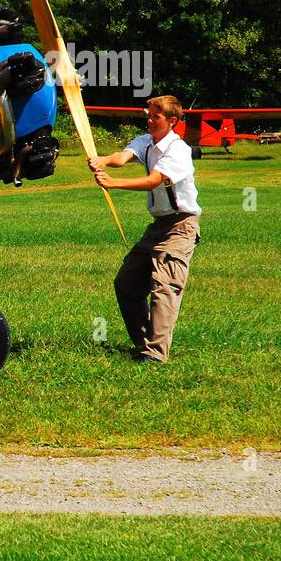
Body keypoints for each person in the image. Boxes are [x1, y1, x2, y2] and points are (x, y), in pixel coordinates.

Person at [89, 95, 201, 363]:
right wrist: (101, 160)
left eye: (155, 117)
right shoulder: (146, 142)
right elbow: (122, 156)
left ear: (171, 121)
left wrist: (113, 184)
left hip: (181, 226)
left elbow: (154, 181)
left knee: (164, 286)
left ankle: (155, 355)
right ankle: (144, 343)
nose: (149, 121)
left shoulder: (178, 150)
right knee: (126, 283)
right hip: (158, 226)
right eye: (148, 116)